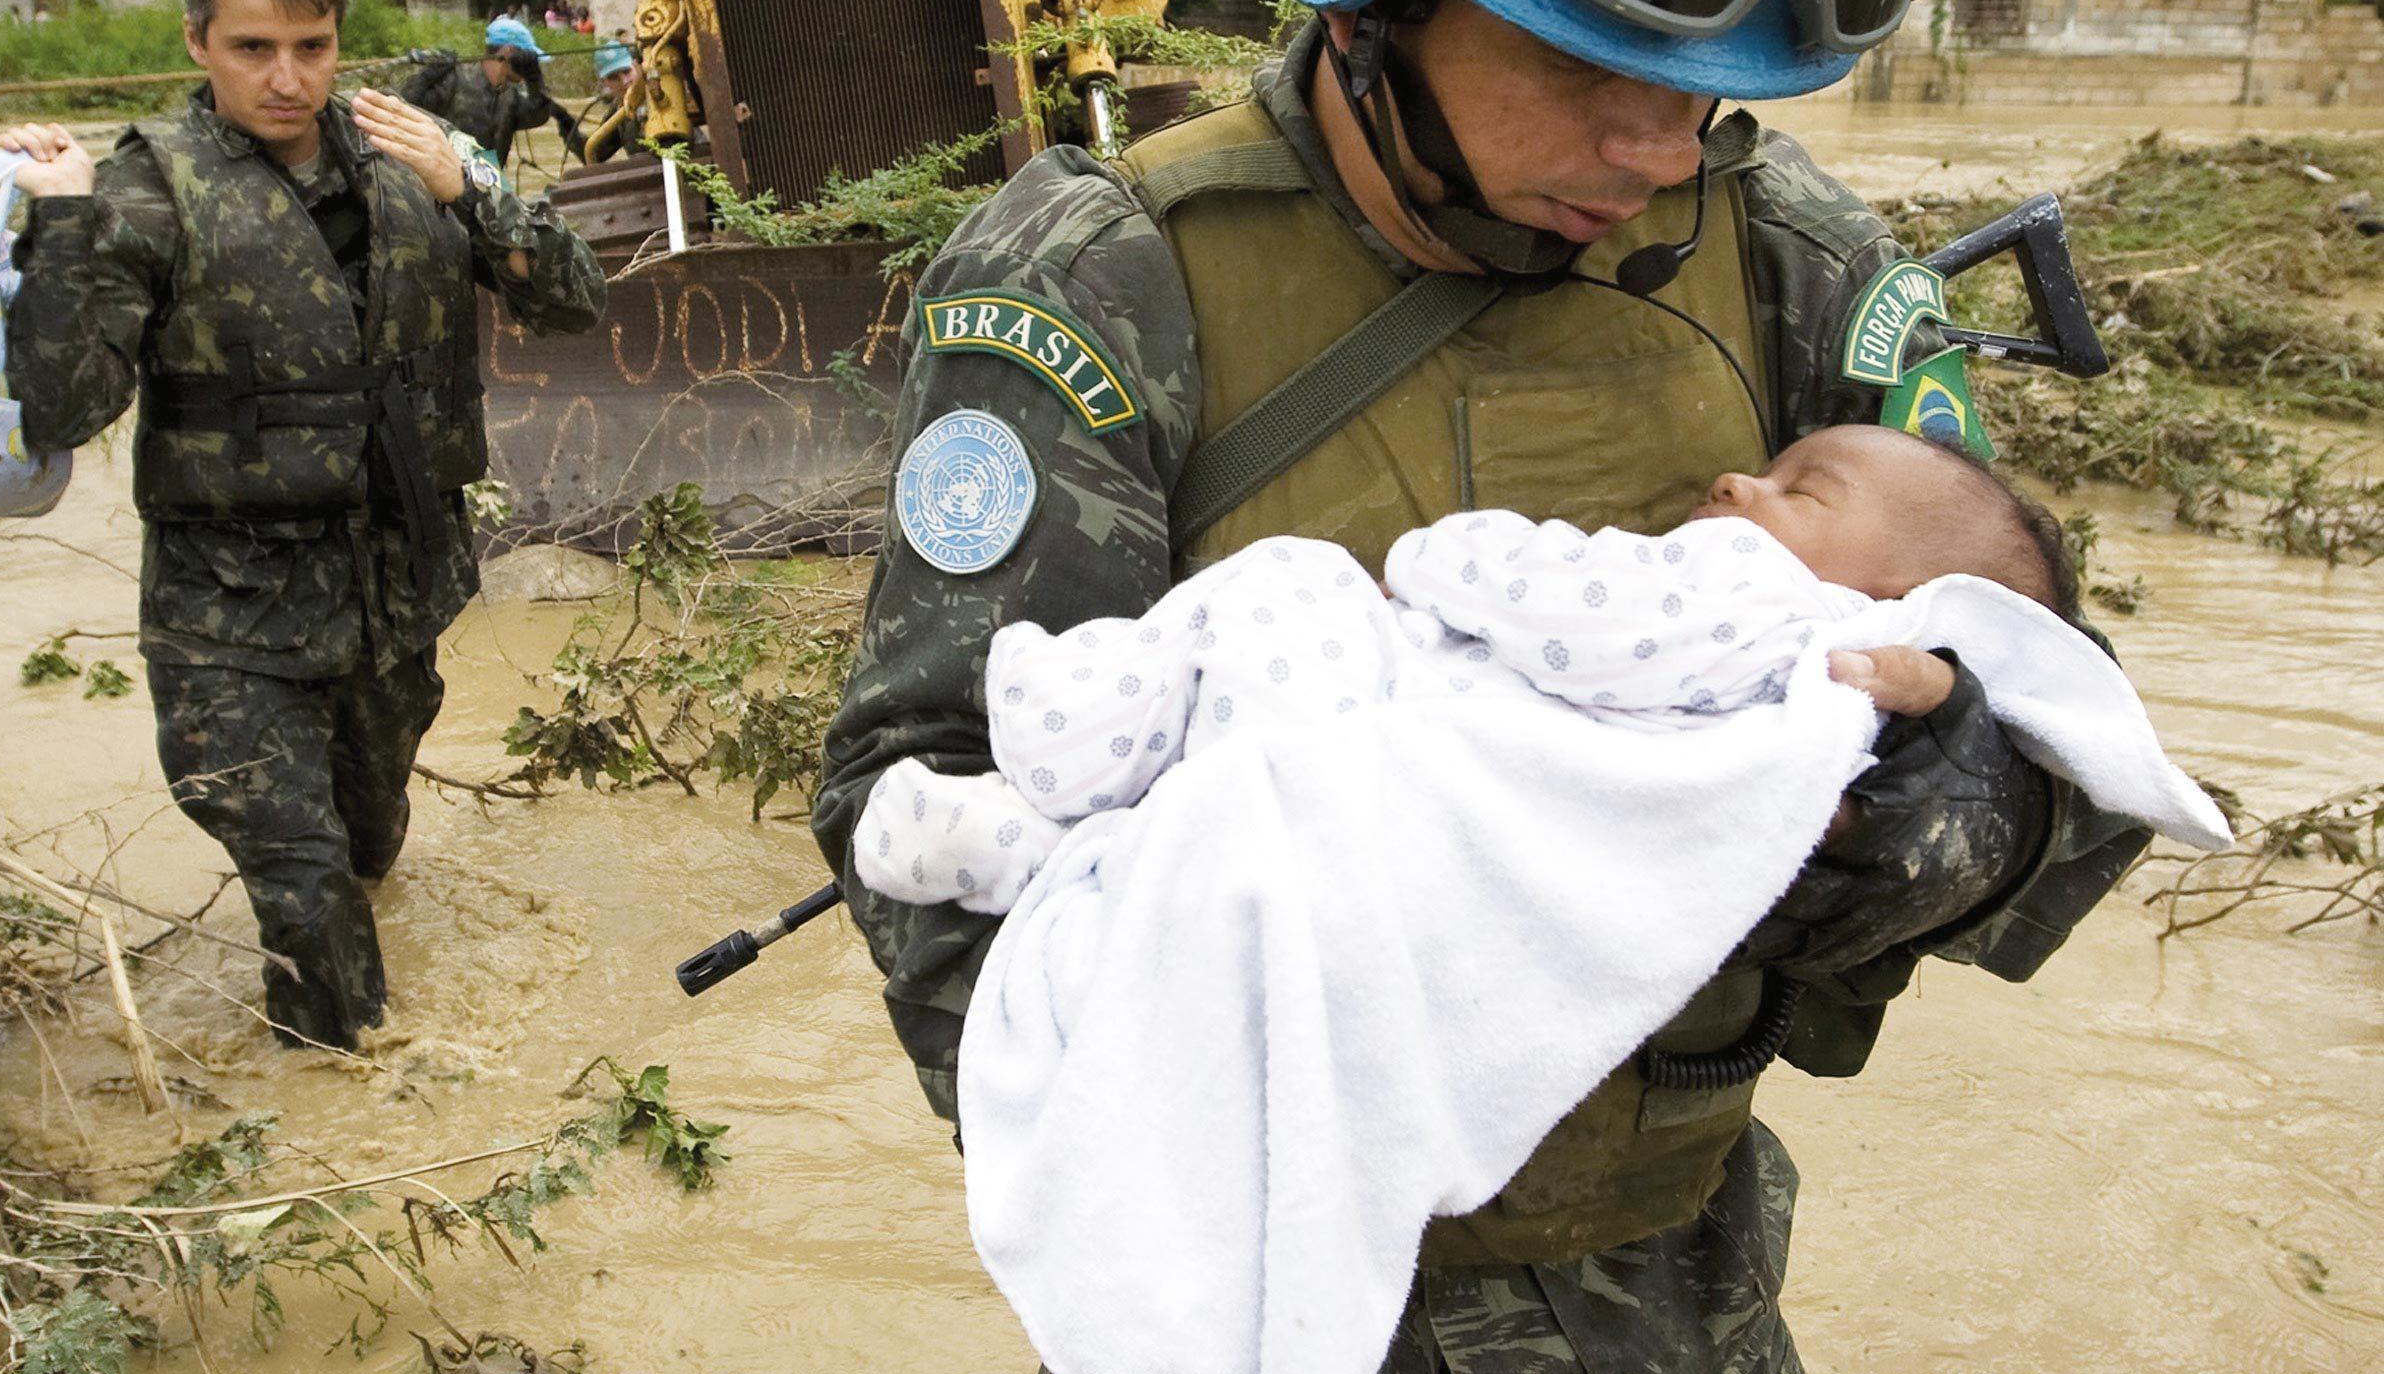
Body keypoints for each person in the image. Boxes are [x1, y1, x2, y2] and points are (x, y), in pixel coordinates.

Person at [811, 0, 2152, 1374]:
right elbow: (921, 804)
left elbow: (2070, 724)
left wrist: (1948, 807)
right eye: (1594, 64)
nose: (1655, 150)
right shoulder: (1106, 279)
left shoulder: (1801, 276)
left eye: (1711, 97)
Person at [0, 0, 606, 1049]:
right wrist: (60, 224)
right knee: (309, 885)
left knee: (370, 847)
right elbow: (65, 405)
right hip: (230, 619)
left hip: (391, 599)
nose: (287, 78)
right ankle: (352, 1121)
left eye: (311, 47)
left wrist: (468, 189)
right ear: (195, 42)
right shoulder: (143, 191)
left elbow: (575, 300)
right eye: (253, 48)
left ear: (339, 34)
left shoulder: (411, 152)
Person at [857, 426, 2102, 916]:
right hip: (1234, 1239)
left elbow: (2057, 726)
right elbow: (891, 746)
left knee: (1279, 605)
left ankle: (1072, 825)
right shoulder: (1117, 253)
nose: (1732, 481)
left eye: (1795, 488)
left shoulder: (1791, 253)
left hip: (1663, 1304)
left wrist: (1924, 808)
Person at [400, 14, 565, 168]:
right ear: (508, 52)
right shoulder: (452, 80)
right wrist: (426, 77)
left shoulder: (511, 96)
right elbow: (402, 111)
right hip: (445, 185)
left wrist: (535, 80)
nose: (528, 63)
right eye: (527, 57)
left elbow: (538, 117)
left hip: (489, 189)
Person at [580, 40, 645, 164]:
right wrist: (563, 118)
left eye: (627, 71)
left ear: (637, 66)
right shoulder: (618, 108)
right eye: (614, 77)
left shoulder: (660, 95)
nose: (624, 81)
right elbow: (597, 153)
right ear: (604, 82)